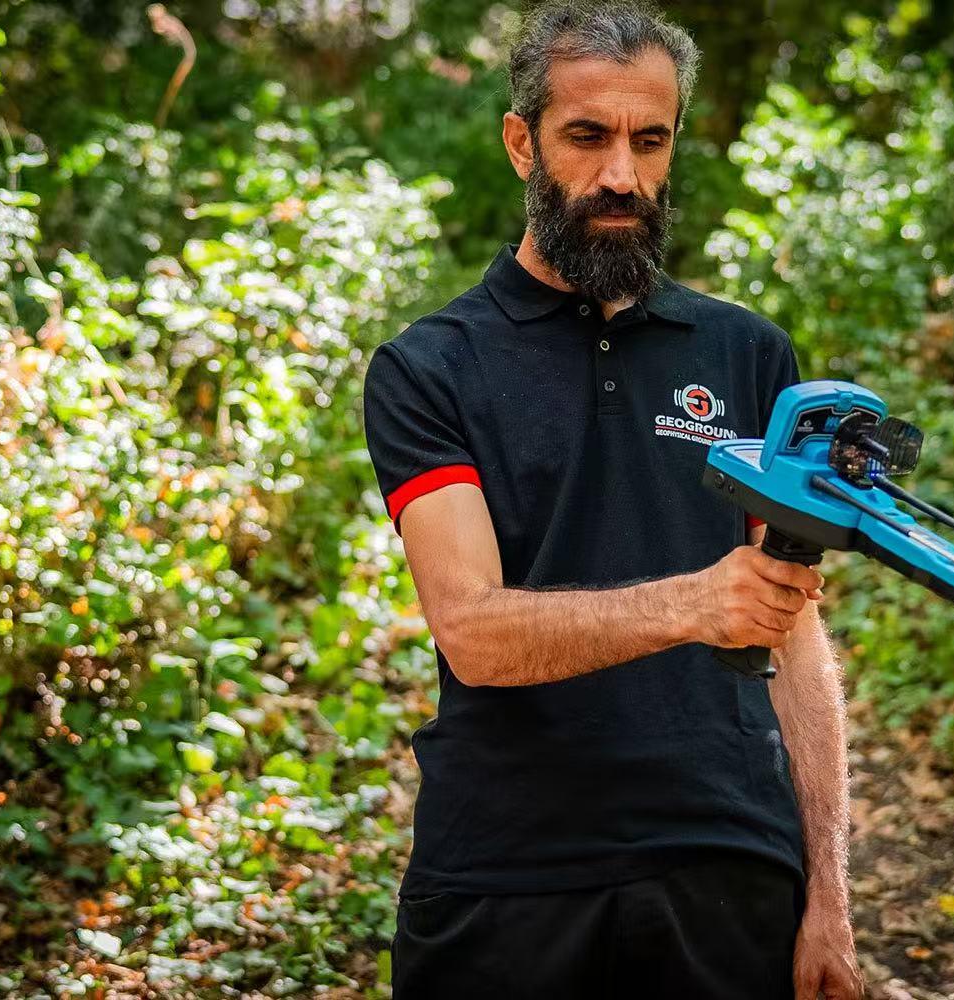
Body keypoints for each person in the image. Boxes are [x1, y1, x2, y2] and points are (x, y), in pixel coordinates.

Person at [362, 3, 862, 998]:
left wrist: (830, 895)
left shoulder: (748, 354)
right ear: (523, 144)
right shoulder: (429, 369)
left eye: (650, 140)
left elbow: (793, 633)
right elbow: (474, 633)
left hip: (725, 860)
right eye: (587, 137)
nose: (622, 175)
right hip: (503, 870)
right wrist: (693, 603)